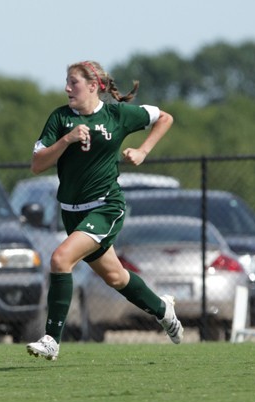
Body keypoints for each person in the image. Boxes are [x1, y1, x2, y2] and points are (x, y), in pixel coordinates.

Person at [25, 60, 181, 361]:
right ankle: (163, 310)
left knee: (60, 259)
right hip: (72, 213)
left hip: (105, 208)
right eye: (67, 82)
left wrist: (143, 151)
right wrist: (66, 140)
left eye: (74, 82)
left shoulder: (117, 115)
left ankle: (51, 340)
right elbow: (37, 164)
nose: (67, 88)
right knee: (116, 277)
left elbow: (164, 117)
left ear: (93, 86)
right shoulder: (60, 118)